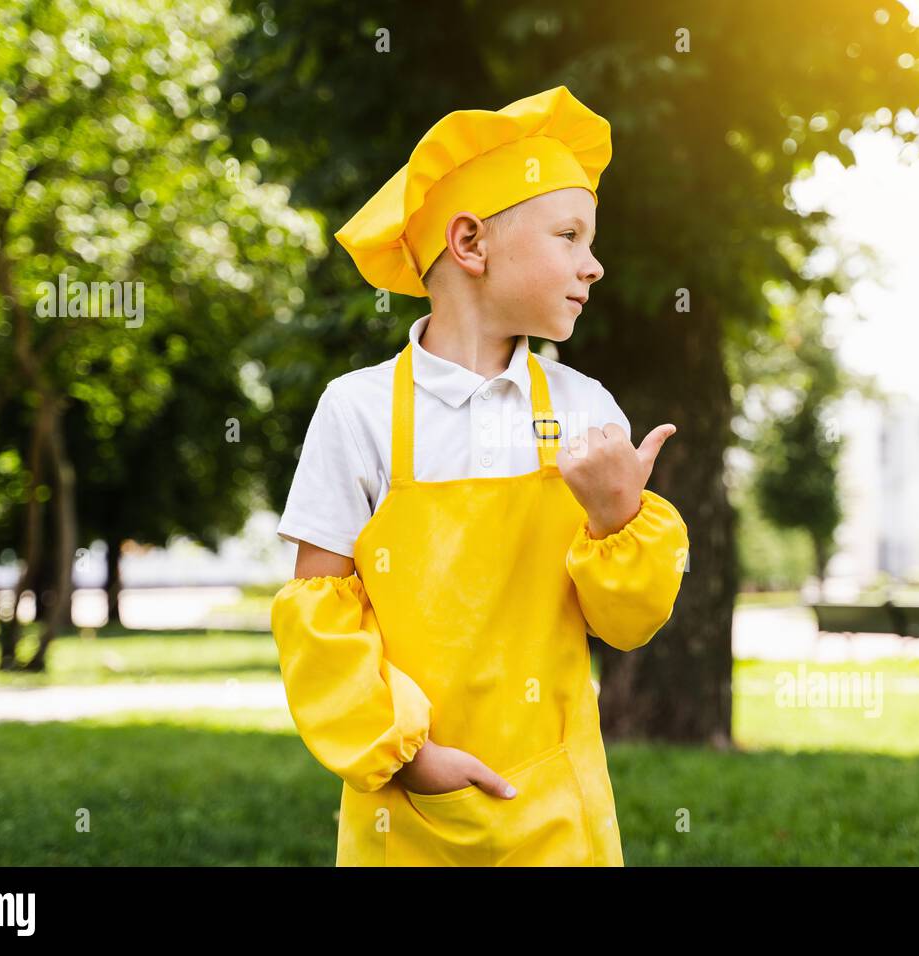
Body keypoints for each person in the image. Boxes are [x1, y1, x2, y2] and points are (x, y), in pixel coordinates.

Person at [269, 85, 689, 866]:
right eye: (569, 235)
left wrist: (615, 519)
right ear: (469, 242)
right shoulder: (357, 411)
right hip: (403, 813)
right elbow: (318, 618)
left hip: (560, 809)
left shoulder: (587, 410)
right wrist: (407, 756)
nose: (594, 265)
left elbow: (626, 626)